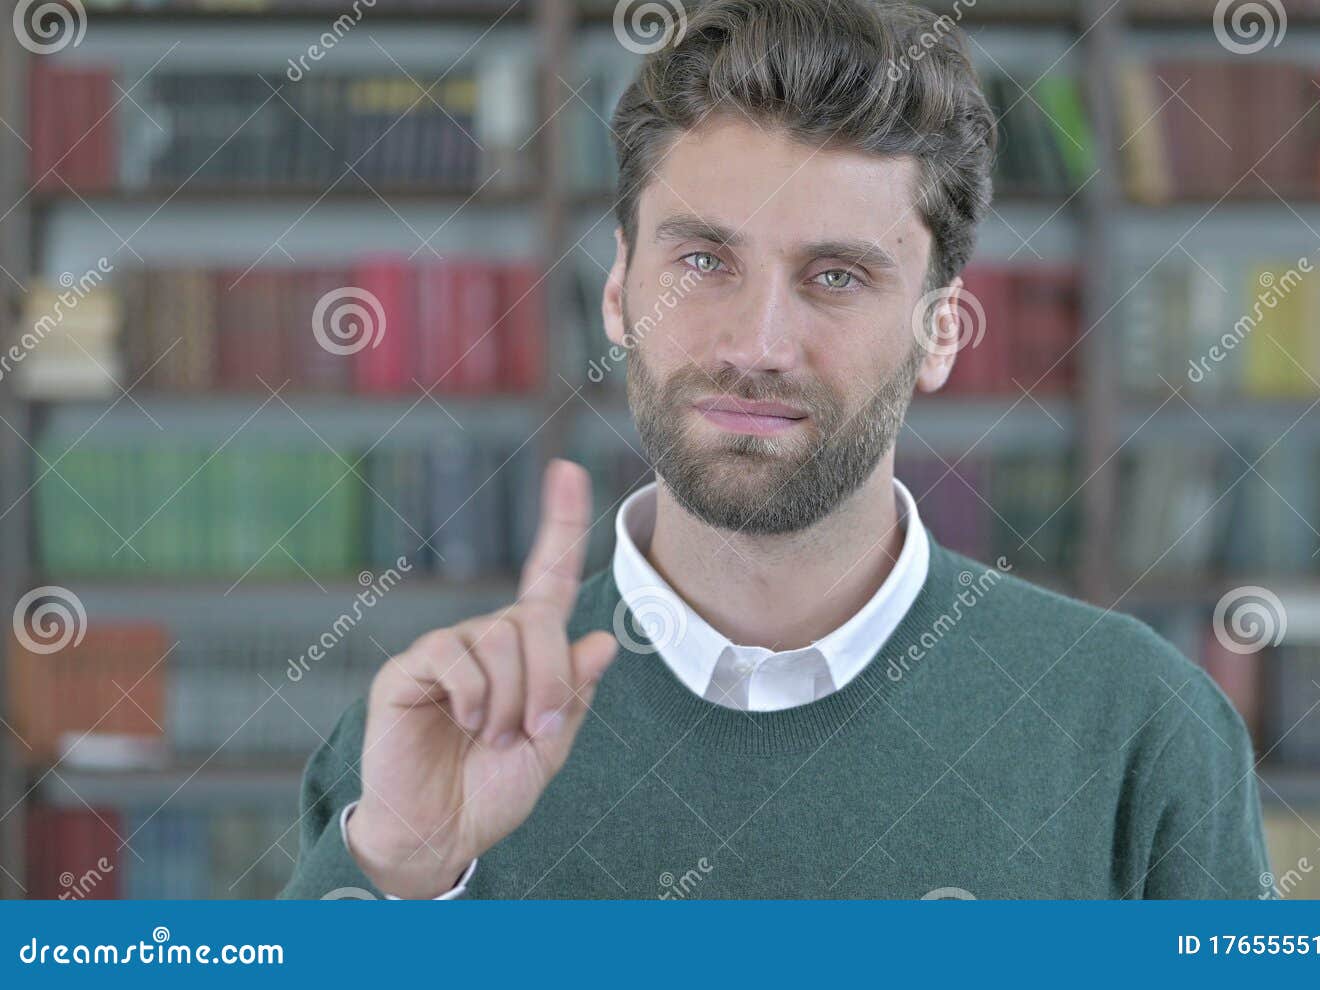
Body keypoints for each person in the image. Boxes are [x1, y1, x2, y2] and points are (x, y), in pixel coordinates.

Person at [281, 0, 1268, 900]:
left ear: (941, 334)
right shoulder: (426, 738)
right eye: (704, 262)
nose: (757, 346)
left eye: (836, 277)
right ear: (621, 294)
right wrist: (401, 874)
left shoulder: (1139, 726)